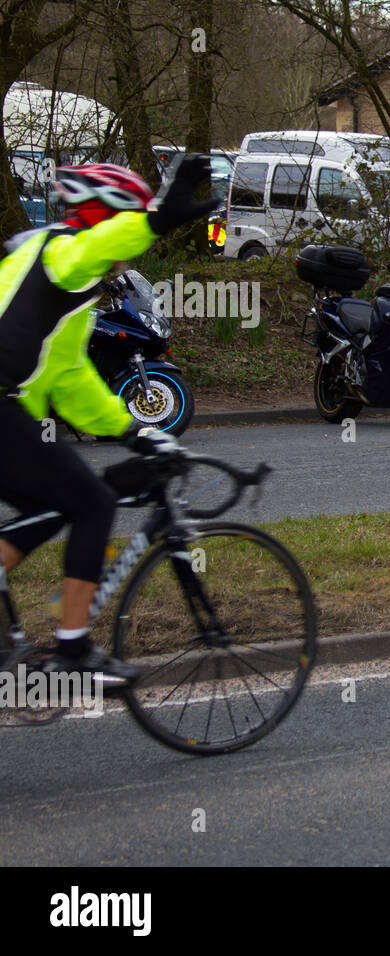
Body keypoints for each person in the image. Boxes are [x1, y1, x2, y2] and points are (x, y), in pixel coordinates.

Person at [0, 157, 220, 686]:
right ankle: (72, 648)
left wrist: (133, 430)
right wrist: (157, 220)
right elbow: (95, 246)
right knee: (94, 501)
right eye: (128, 222)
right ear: (107, 219)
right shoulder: (64, 252)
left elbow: (71, 377)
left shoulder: (47, 265)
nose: (123, 260)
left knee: (57, 504)